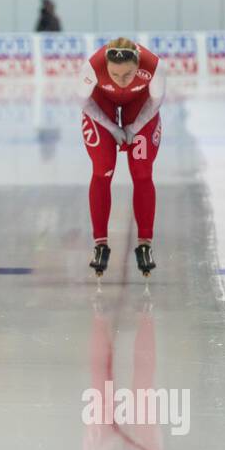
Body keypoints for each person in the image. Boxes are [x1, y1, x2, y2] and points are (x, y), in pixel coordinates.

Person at [80, 37, 164, 278]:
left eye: (128, 75)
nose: (121, 81)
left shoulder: (155, 67)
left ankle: (145, 243)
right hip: (100, 104)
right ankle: (100, 243)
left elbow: (156, 101)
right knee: (102, 168)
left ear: (138, 66)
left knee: (142, 172)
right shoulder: (92, 67)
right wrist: (112, 128)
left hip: (140, 106)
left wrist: (135, 127)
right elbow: (83, 101)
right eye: (114, 75)